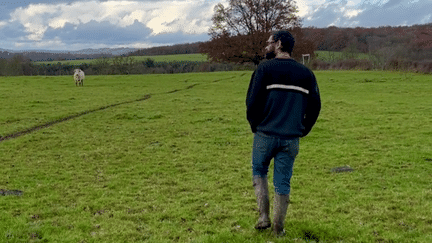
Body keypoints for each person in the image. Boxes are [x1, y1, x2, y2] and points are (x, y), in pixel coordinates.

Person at [246, 30, 321, 236]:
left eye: (269, 42)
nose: (266, 46)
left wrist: (255, 125)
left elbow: (252, 103)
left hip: (265, 134)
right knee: (283, 180)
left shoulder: (264, 69)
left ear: (279, 44)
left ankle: (263, 216)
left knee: (259, 171)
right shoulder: (306, 74)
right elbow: (315, 106)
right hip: (291, 138)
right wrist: (303, 130)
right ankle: (278, 229)